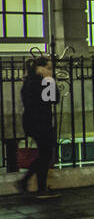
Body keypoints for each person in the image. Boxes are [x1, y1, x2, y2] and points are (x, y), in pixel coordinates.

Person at [18, 54, 59, 199]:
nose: (51, 71)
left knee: (44, 153)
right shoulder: (36, 82)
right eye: (48, 68)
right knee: (45, 154)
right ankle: (25, 182)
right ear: (39, 68)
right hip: (38, 122)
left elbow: (54, 99)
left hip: (37, 121)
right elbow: (52, 100)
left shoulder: (34, 81)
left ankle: (41, 187)